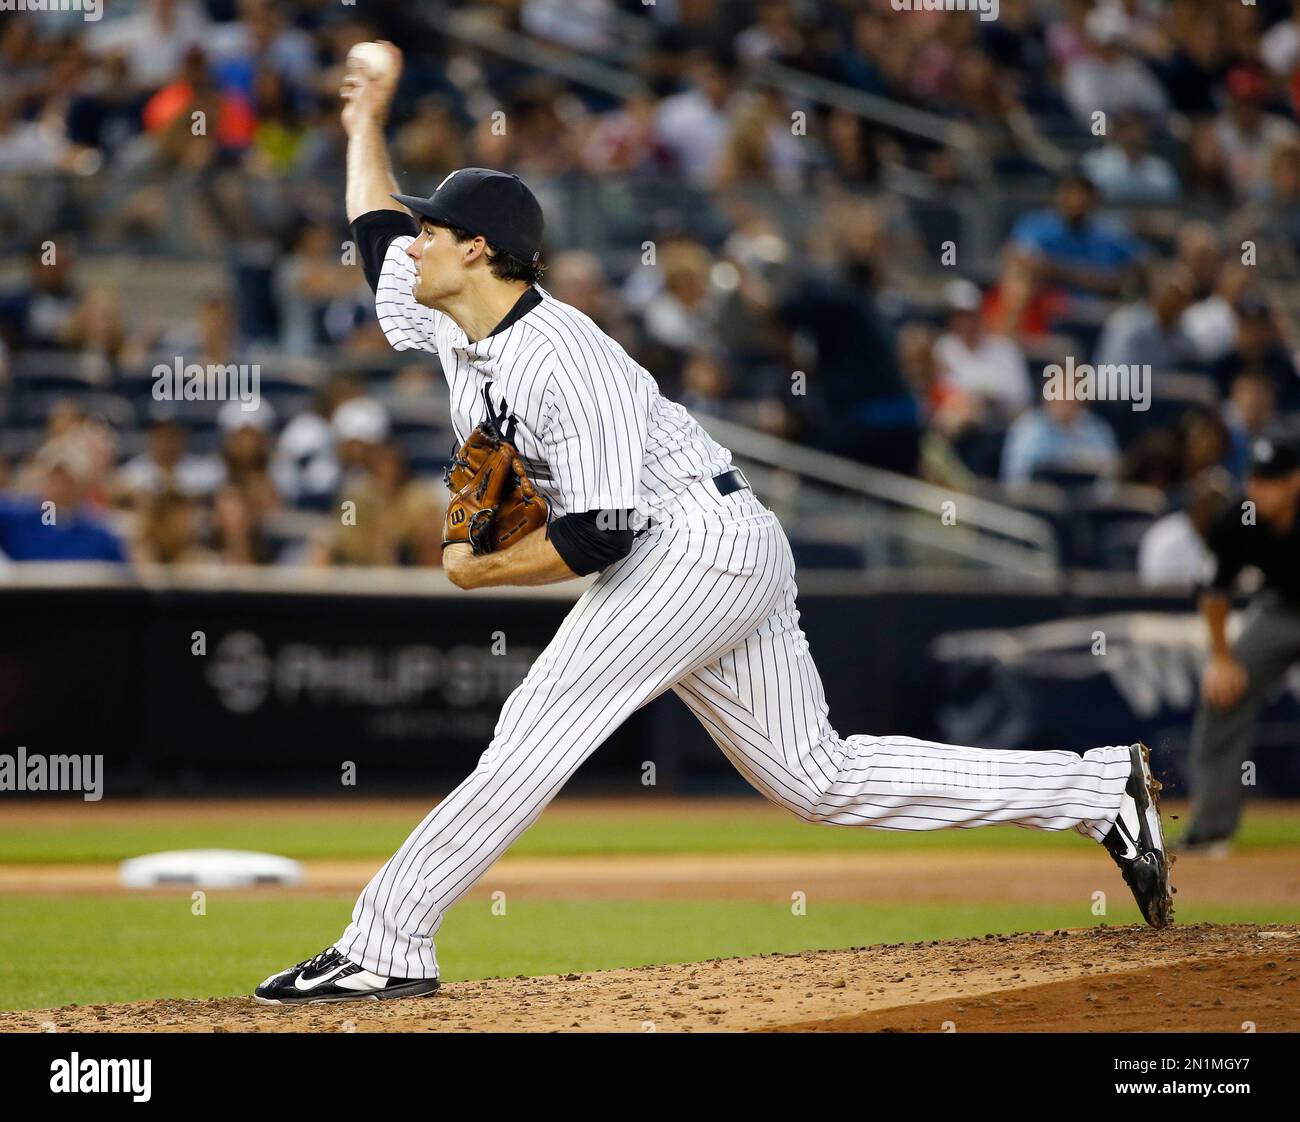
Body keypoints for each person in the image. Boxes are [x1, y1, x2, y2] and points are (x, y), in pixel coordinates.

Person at [252, 42, 1174, 1005]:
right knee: (815, 778)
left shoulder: (566, 362)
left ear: (478, 250)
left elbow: (602, 532)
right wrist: (363, 123)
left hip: (690, 545)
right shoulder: (454, 317)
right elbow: (370, 237)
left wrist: (477, 574)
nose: (418, 241)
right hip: (704, 546)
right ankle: (1096, 790)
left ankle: (389, 938)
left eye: (434, 229)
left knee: (538, 726)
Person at [1182, 438, 1300, 855]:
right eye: (1255, 479)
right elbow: (1214, 592)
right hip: (1279, 609)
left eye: (1271, 481)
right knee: (1223, 693)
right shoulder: (1239, 518)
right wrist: (1221, 657)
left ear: (1295, 481)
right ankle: (1212, 827)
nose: (1260, 489)